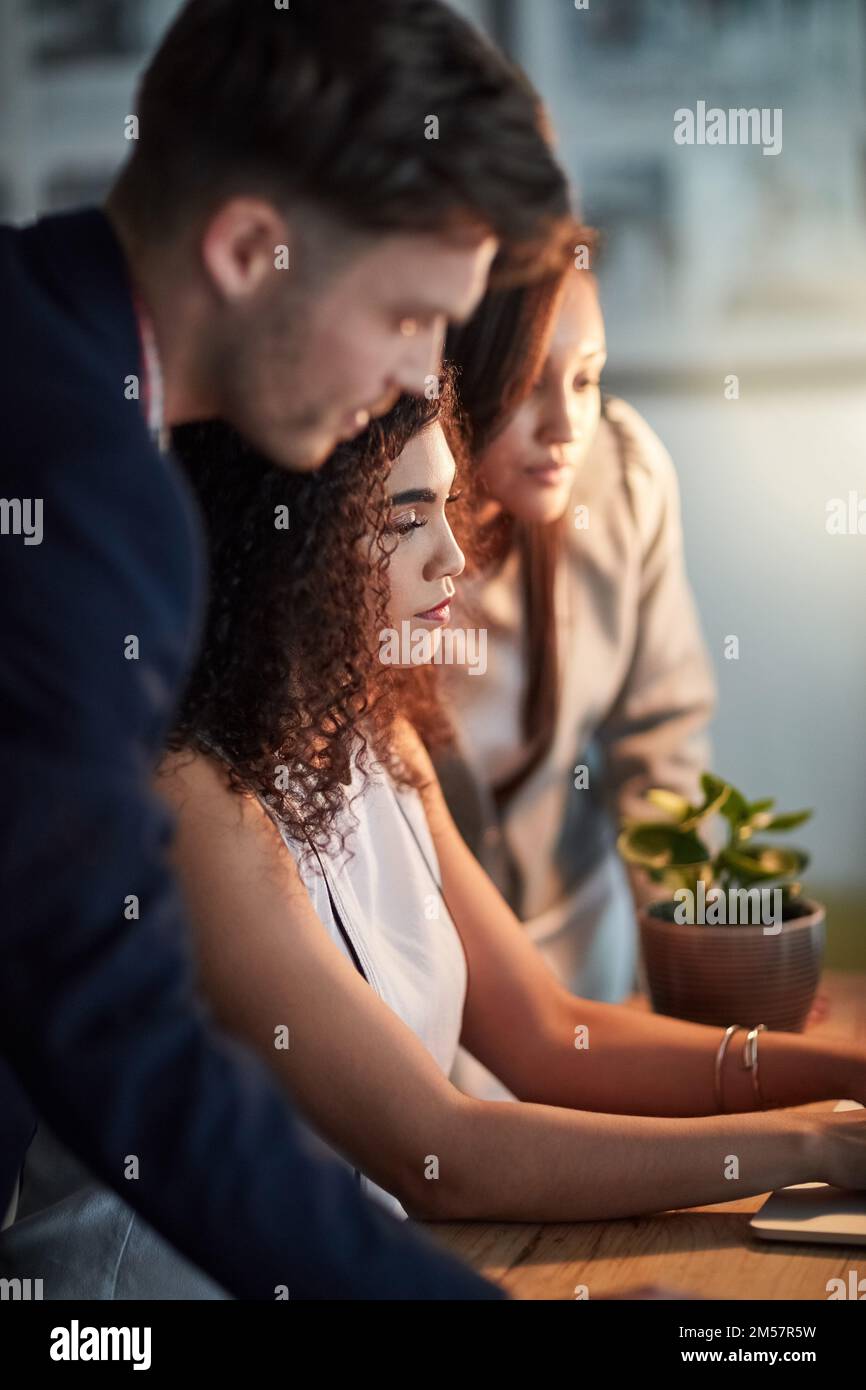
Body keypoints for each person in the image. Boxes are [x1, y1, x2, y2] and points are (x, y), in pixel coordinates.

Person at [12, 378, 861, 1302]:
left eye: (445, 506)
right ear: (279, 541)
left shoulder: (379, 735)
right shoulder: (189, 791)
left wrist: (844, 1077)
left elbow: (548, 1032)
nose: (453, 555)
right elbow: (440, 1153)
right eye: (403, 518)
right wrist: (810, 1141)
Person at [0, 0, 573, 1299]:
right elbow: (110, 1025)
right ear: (253, 247)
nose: (421, 373)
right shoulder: (92, 486)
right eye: (407, 314)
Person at [439, 247, 716, 1098]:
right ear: (449, 378)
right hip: (429, 968)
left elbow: (658, 741)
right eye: (529, 381)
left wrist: (698, 974)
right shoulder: (378, 539)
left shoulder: (624, 481)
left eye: (588, 379)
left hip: (578, 939)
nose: (565, 425)